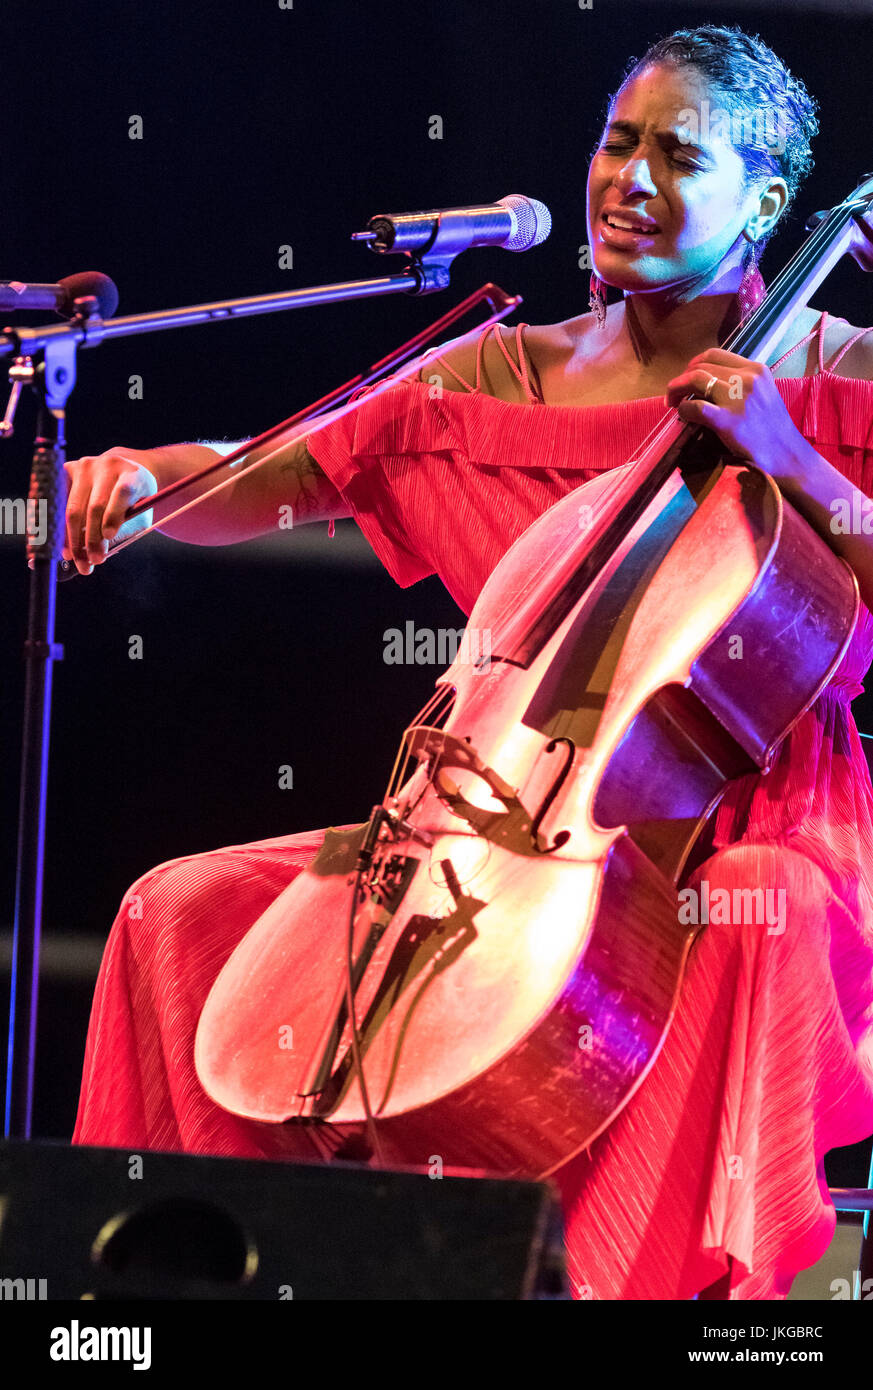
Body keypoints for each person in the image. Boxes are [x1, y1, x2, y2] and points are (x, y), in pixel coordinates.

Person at [67, 25, 873, 1299]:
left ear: (768, 199)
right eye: (618, 141)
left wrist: (793, 460)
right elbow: (272, 475)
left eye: (678, 153)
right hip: (495, 831)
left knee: (745, 919)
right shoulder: (493, 378)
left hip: (742, 830)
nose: (631, 177)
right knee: (183, 908)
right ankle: (218, 1282)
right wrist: (136, 481)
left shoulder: (838, 378)